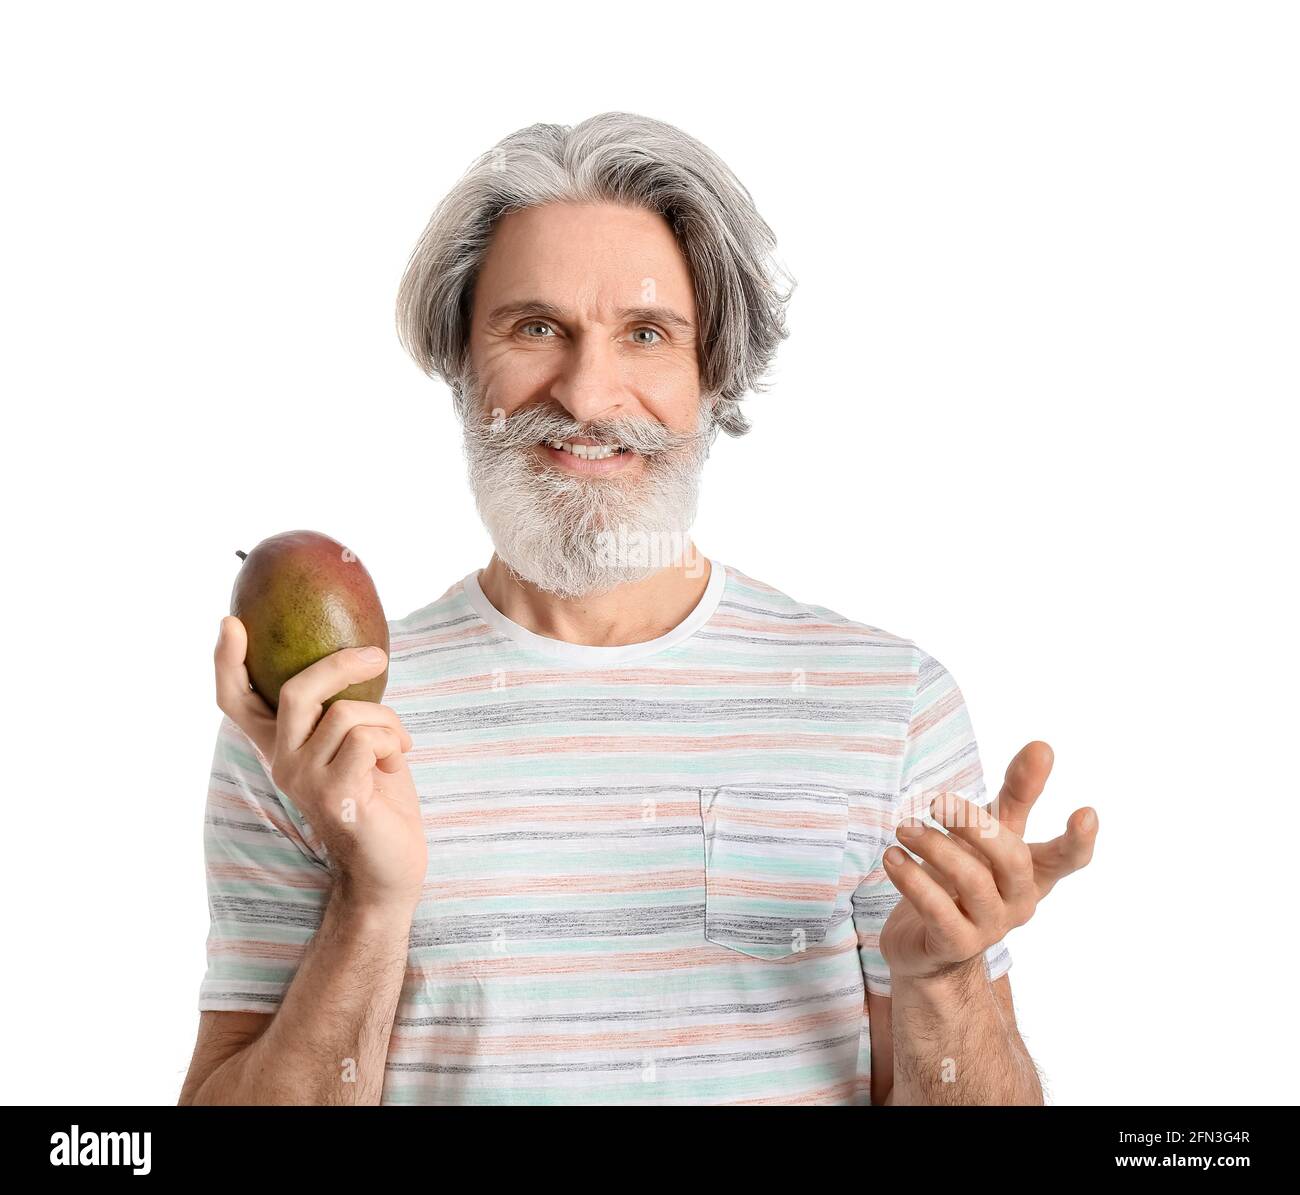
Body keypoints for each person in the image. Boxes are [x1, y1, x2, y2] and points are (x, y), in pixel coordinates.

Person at [180, 112, 1097, 1106]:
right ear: (462, 363)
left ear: (713, 374)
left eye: (646, 334)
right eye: (535, 328)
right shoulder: (323, 725)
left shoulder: (889, 704)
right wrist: (369, 903)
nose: (586, 396)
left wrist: (944, 984)